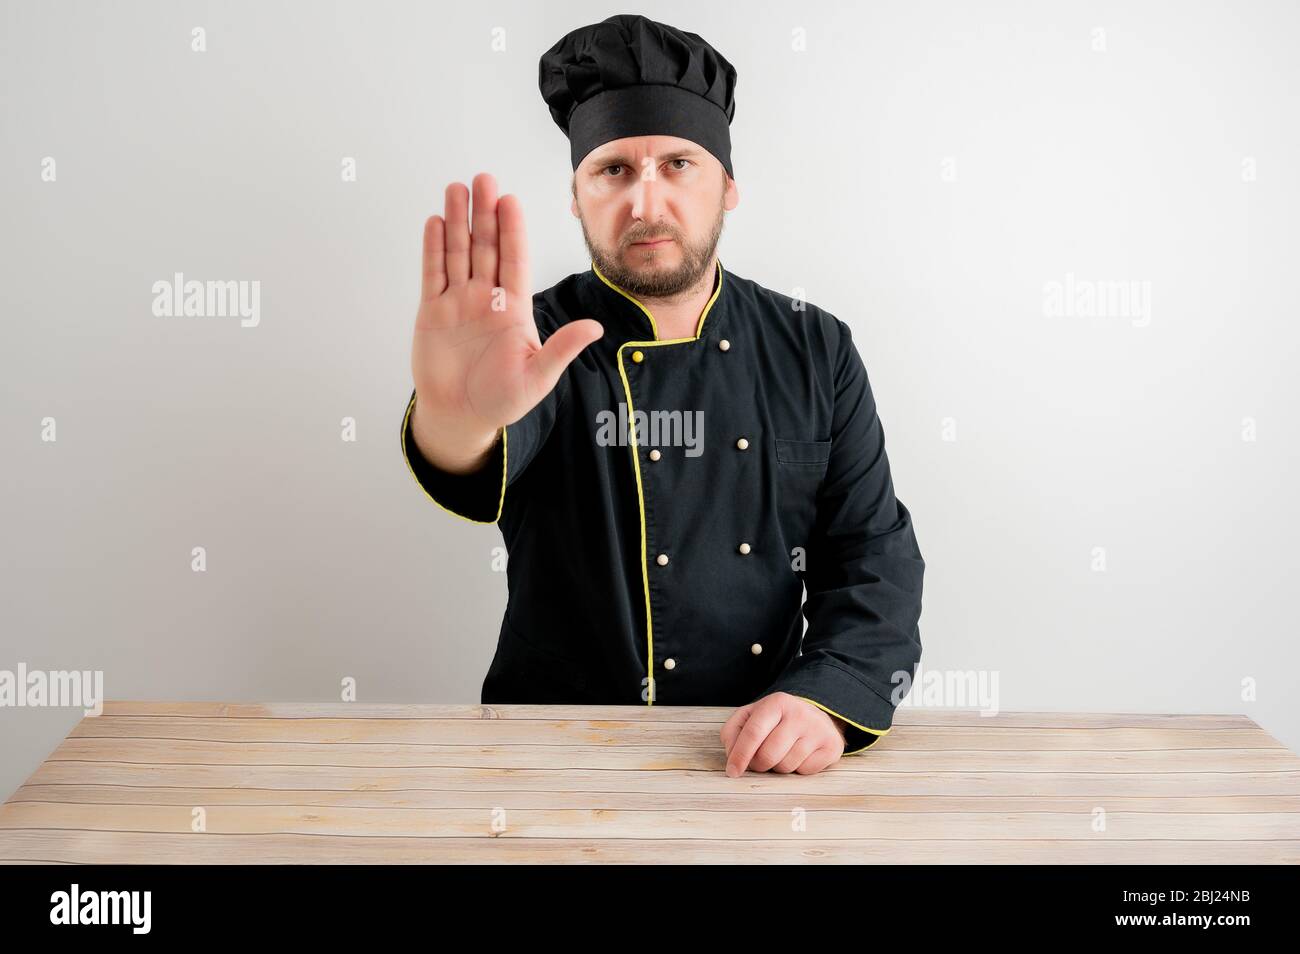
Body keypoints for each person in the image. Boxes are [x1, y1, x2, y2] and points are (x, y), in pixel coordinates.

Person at [402, 14, 925, 777]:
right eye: (612, 170)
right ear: (577, 197)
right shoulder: (534, 339)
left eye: (679, 164)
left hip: (755, 751)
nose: (645, 203)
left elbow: (871, 552)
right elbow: (479, 454)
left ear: (729, 188)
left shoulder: (816, 347)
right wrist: (458, 416)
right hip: (550, 755)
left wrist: (825, 697)